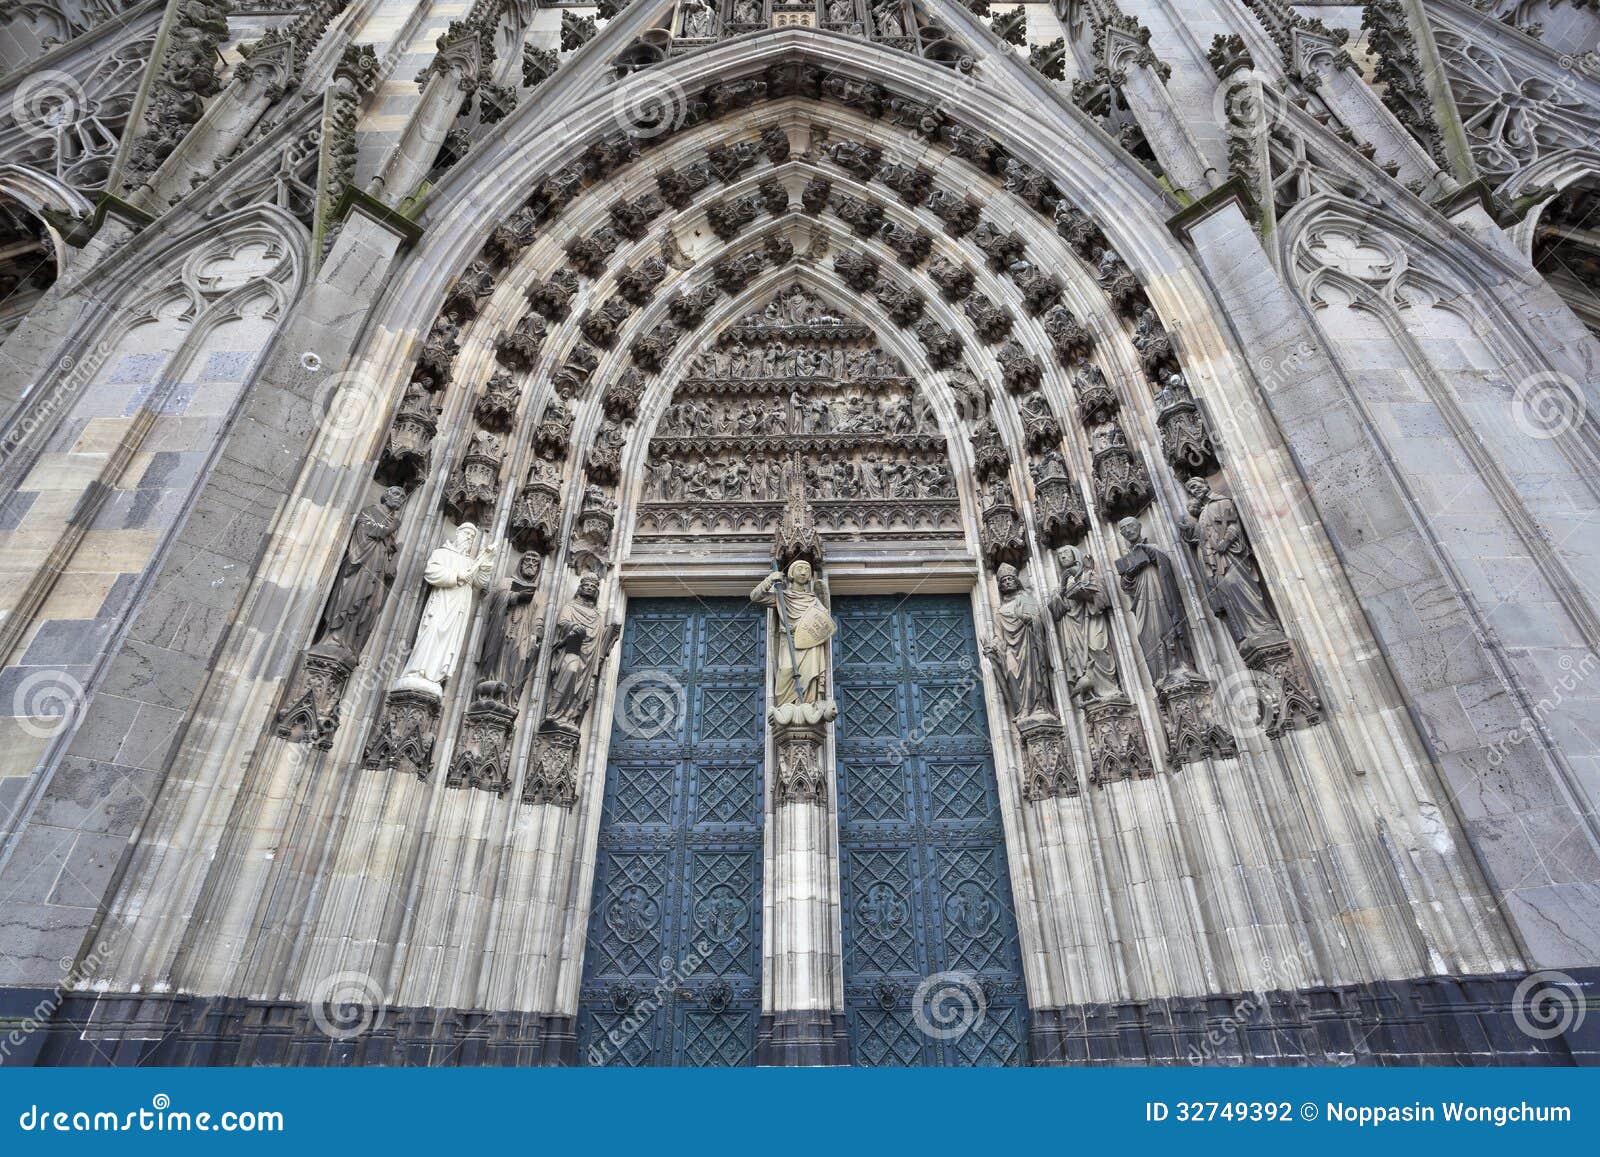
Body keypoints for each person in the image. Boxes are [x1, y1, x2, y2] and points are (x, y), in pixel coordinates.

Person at [751, 560, 835, 708]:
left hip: (810, 645)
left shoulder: (813, 600)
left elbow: (823, 623)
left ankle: (809, 707)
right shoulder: (782, 597)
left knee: (809, 677)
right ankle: (786, 709)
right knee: (786, 671)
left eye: (807, 570)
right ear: (791, 573)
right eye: (799, 568)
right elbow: (756, 597)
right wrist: (770, 580)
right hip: (788, 643)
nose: (803, 572)